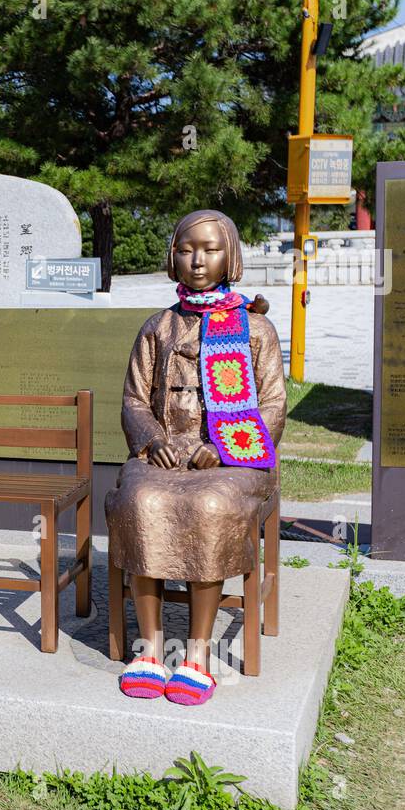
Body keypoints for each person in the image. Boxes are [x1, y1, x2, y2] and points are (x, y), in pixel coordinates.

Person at [104, 209, 284, 706]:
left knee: (209, 509)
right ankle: (151, 646)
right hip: (162, 456)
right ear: (172, 257)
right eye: (186, 249)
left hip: (232, 459)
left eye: (210, 249)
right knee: (142, 502)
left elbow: (272, 404)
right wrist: (152, 439)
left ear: (232, 256)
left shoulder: (254, 329)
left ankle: (197, 653)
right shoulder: (158, 327)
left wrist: (225, 445)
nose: (197, 260)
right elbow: (133, 400)